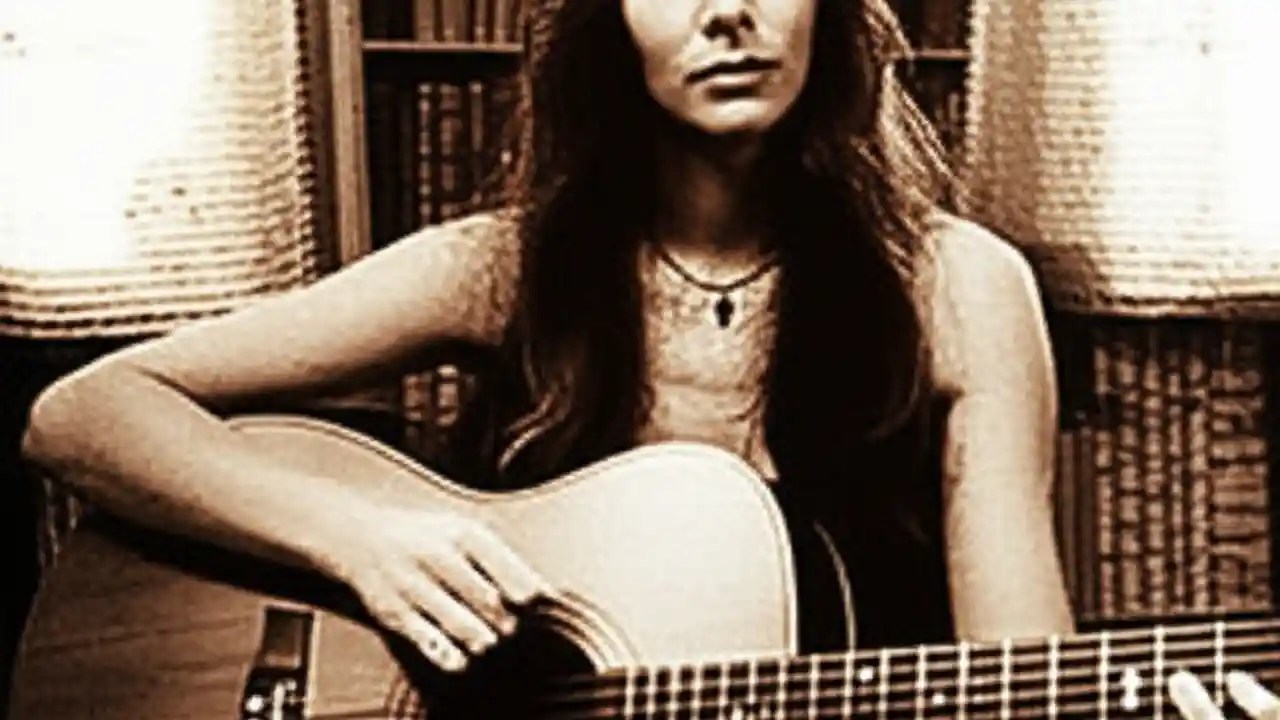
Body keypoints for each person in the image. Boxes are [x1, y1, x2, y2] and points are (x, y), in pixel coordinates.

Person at [19, 0, 1277, 716]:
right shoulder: (496, 267)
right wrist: (359, 543)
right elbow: (82, 415)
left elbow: (1020, 678)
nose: (726, 9)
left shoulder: (956, 288)